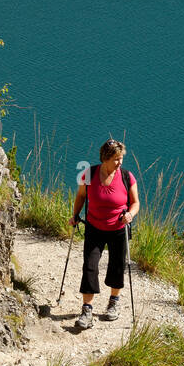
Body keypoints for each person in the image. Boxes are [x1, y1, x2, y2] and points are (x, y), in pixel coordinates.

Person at [70, 138, 139, 330]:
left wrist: (130, 215)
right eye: (116, 159)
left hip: (118, 229)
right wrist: (75, 215)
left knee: (117, 266)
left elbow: (135, 203)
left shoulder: (127, 176)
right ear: (105, 158)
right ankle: (87, 309)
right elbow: (81, 196)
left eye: (121, 158)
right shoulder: (88, 174)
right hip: (94, 228)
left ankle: (114, 302)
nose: (120, 162)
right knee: (90, 266)